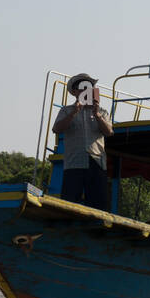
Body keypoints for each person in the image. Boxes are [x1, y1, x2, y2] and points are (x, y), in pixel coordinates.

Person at [52, 72, 113, 209]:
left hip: (96, 162)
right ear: (74, 92)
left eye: (89, 86)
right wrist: (74, 112)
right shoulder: (66, 111)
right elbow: (57, 129)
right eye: (82, 87)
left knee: (98, 204)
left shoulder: (102, 112)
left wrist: (96, 114)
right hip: (74, 163)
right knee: (69, 204)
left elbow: (109, 132)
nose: (86, 90)